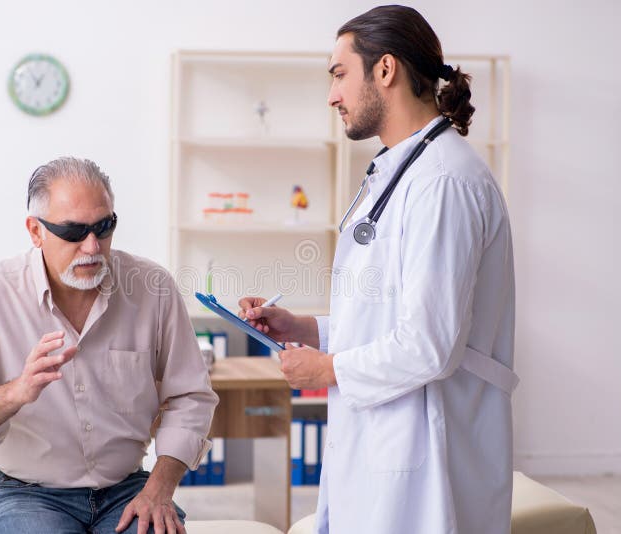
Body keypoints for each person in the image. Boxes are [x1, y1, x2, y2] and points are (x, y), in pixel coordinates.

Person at [239, 5, 516, 533]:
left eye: (340, 74)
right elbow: (389, 314)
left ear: (385, 70)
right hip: (386, 436)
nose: (332, 95)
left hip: (428, 444)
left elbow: (429, 345)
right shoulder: (402, 171)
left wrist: (328, 370)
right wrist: (308, 330)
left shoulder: (443, 182)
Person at [0, 157, 218, 534]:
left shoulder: (153, 288)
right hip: (25, 494)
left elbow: (191, 396)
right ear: (35, 231)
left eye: (104, 226)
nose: (92, 246)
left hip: (126, 489)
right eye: (74, 231)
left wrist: (159, 489)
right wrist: (16, 392)